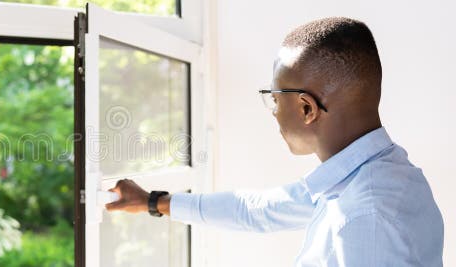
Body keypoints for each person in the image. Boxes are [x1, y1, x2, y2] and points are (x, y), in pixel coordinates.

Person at [105, 17, 444, 266]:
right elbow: (257, 210)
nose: (273, 112)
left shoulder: (362, 216)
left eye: (275, 98)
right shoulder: (382, 175)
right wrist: (153, 201)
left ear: (307, 107)